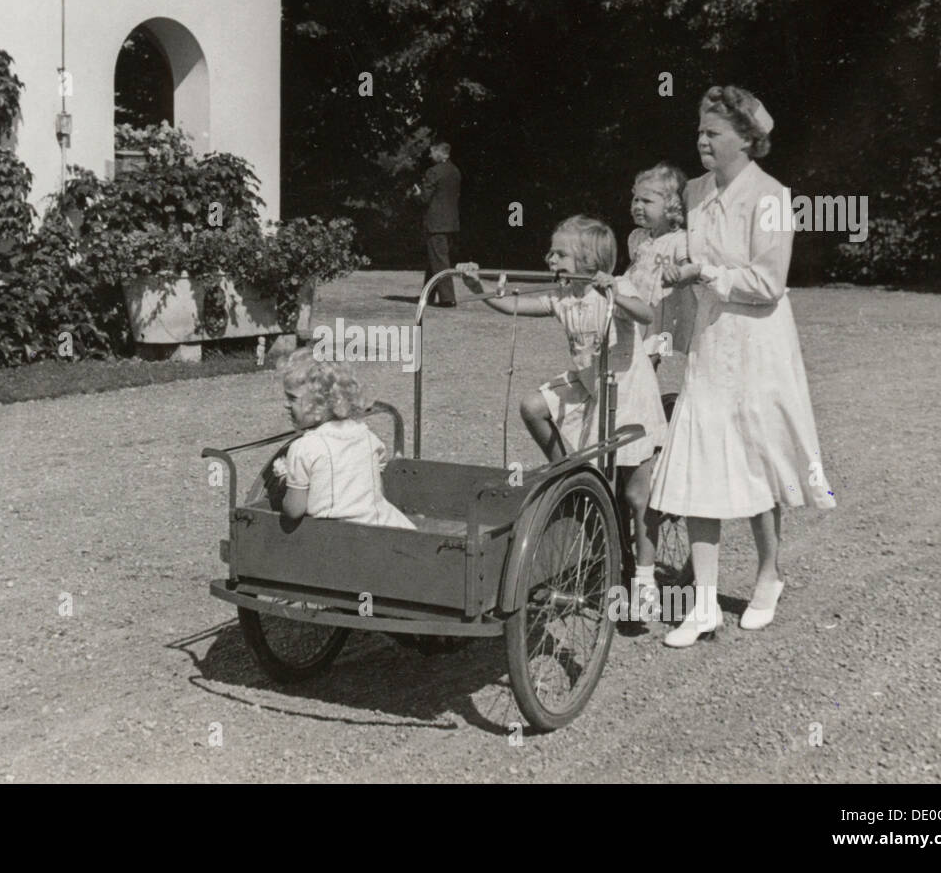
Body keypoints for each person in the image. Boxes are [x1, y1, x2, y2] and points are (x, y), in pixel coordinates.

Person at [649, 85, 836, 648]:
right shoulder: (697, 191)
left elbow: (768, 282)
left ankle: (768, 575)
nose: (702, 141)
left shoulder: (773, 196)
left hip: (758, 342)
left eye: (713, 133)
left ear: (747, 140)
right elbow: (688, 257)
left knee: (756, 457)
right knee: (701, 458)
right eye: (700, 132)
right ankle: (703, 603)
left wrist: (703, 272)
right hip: (711, 342)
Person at [457, 216, 668, 618]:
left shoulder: (614, 286)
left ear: (589, 260)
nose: (549, 258)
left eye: (560, 253)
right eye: (551, 252)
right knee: (533, 406)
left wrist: (614, 293)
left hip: (629, 396)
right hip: (592, 386)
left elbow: (643, 315)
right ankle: (569, 473)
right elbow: (515, 304)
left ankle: (644, 577)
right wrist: (480, 289)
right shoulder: (562, 295)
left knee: (637, 495)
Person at [270, 348, 415, 529]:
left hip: (339, 537)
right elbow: (376, 488)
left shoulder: (304, 448)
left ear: (319, 405)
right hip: (381, 526)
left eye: (292, 398)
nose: (286, 404)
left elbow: (294, 510)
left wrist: (285, 478)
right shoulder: (367, 437)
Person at [623, 163, 696, 371]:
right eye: (636, 199)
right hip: (638, 310)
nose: (638, 206)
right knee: (632, 359)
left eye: (646, 201)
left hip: (662, 316)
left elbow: (687, 267)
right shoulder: (637, 238)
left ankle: (651, 399)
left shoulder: (679, 240)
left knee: (650, 360)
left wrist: (678, 273)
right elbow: (633, 268)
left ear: (671, 206)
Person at [415, 142, 460, 307]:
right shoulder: (455, 171)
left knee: (439, 260)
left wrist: (418, 193)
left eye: (432, 153)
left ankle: (447, 298)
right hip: (451, 223)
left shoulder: (433, 172)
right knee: (435, 258)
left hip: (436, 223)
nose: (430, 156)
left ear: (441, 154)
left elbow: (424, 199)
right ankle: (427, 295)